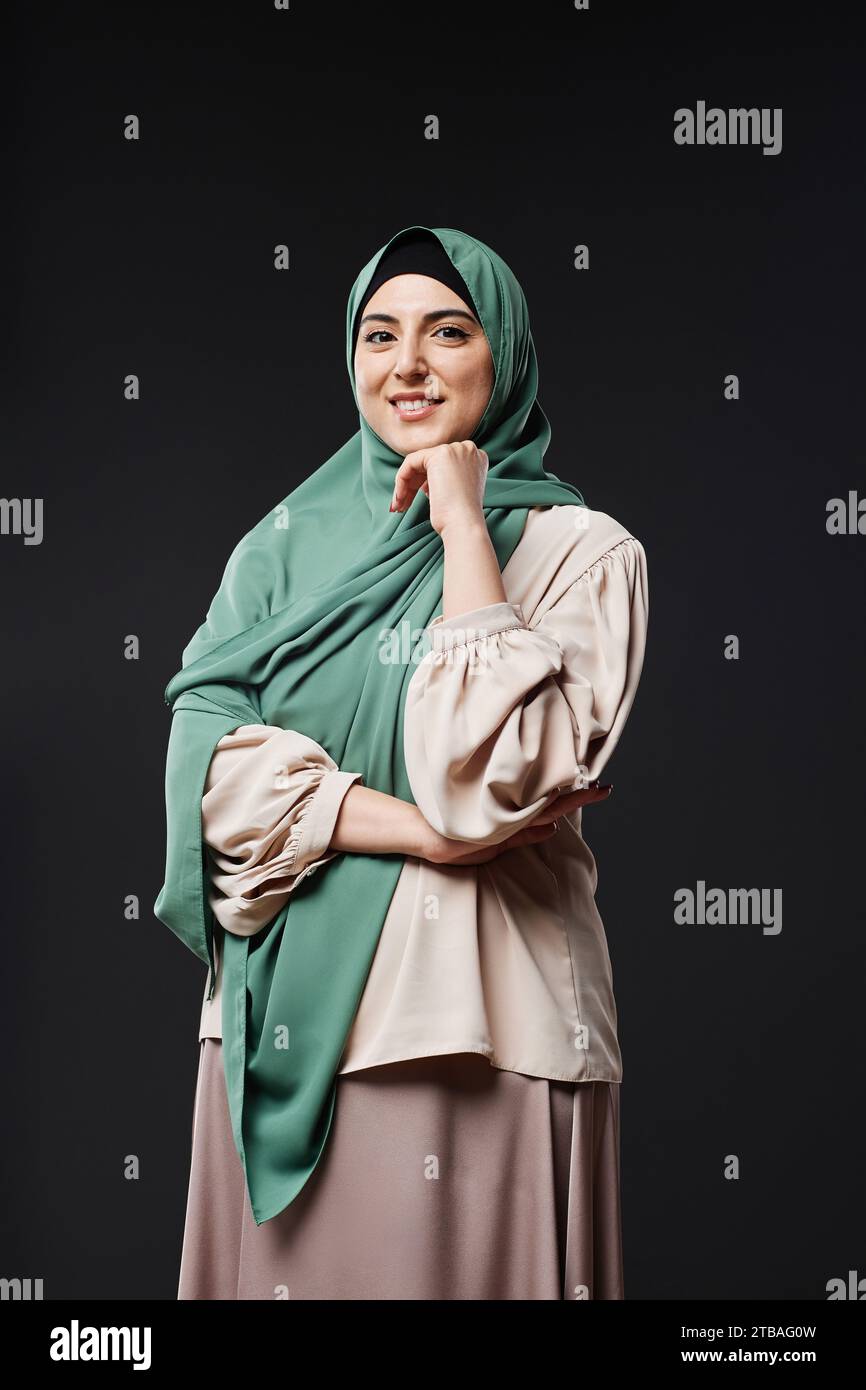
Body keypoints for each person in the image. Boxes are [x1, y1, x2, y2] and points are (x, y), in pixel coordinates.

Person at [155, 224, 649, 1300]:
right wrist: (420, 832)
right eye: (378, 335)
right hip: (277, 1037)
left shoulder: (582, 552)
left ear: (502, 354)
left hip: (483, 1028)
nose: (407, 364)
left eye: (447, 331)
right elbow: (210, 782)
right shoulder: (279, 549)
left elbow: (488, 779)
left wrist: (464, 524)